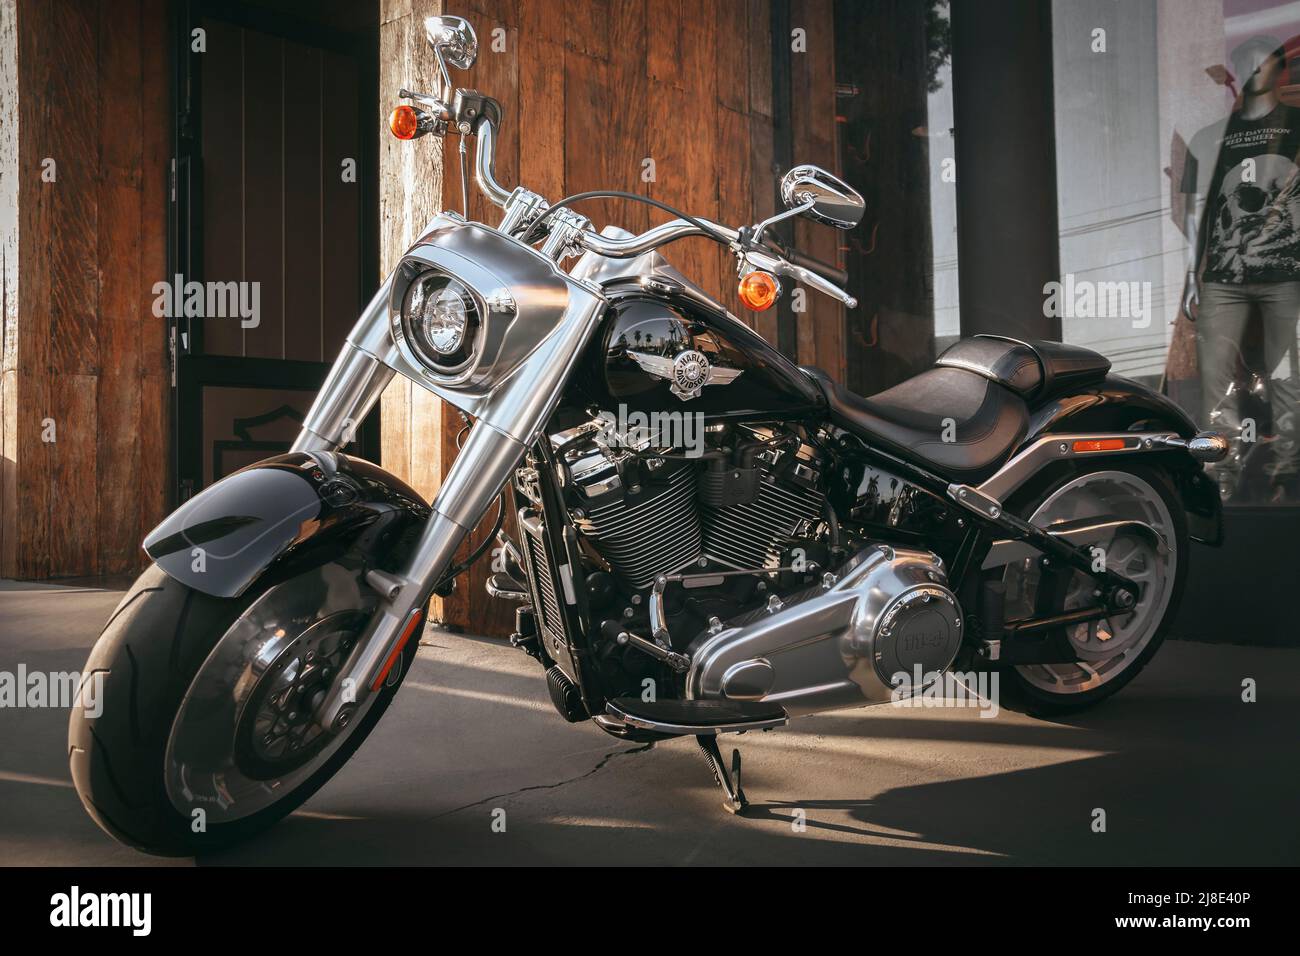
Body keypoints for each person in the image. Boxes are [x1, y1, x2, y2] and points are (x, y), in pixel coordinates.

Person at [1181, 35, 1300, 501]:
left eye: (1261, 60)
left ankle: (1289, 471)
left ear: (1279, 69)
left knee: (1289, 377)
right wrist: (1192, 276)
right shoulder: (1209, 138)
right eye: (1242, 60)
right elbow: (1196, 212)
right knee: (1216, 384)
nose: (1251, 67)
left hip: (1288, 273)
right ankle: (1219, 474)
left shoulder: (1297, 126)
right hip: (1222, 279)